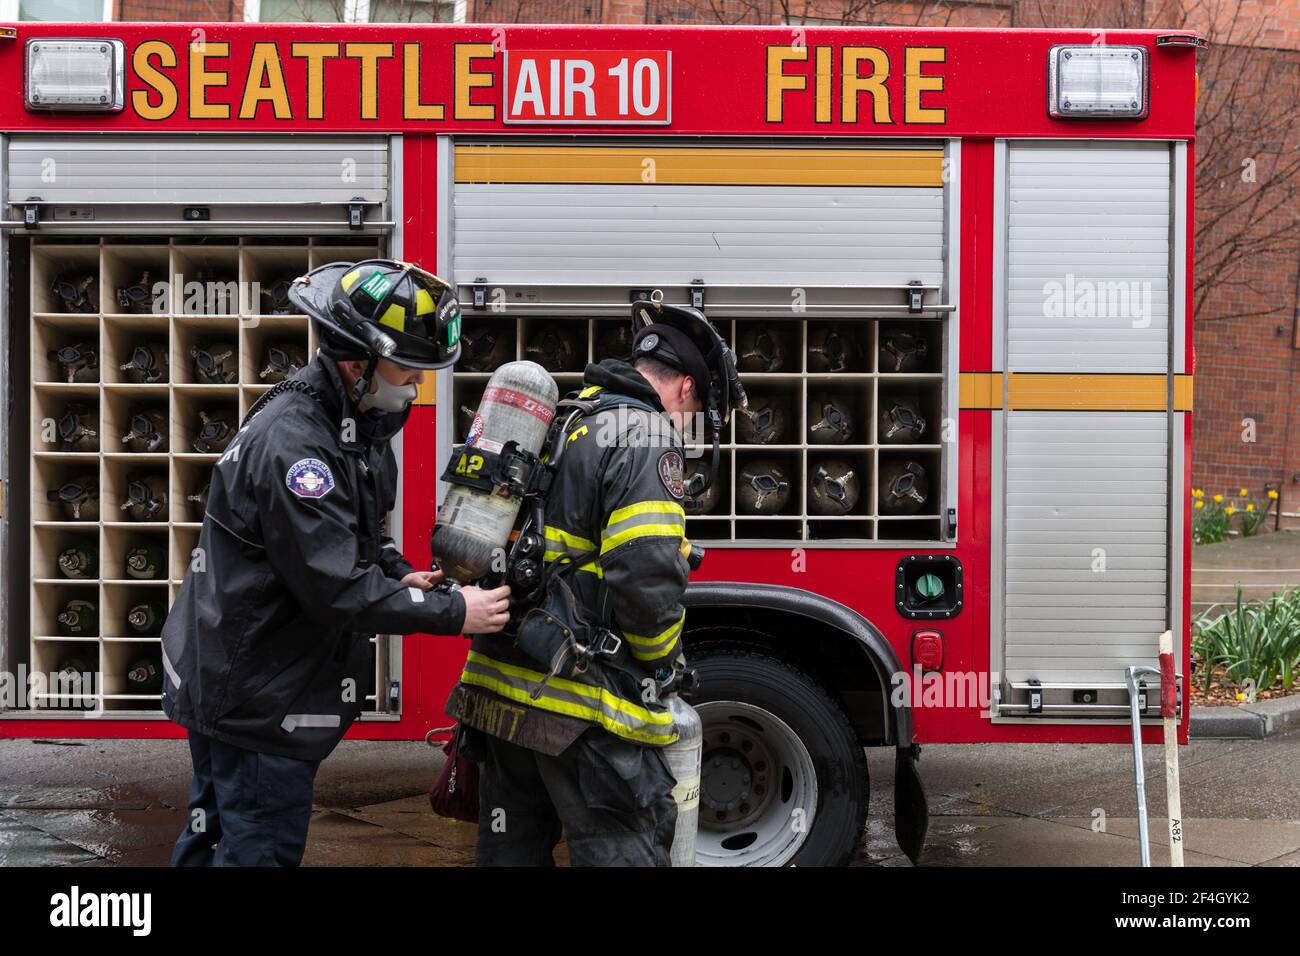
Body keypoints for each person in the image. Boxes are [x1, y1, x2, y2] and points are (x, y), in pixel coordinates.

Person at [162, 259, 511, 867]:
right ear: (359, 362)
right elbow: (334, 589)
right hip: (255, 694)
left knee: (216, 835)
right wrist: (455, 611)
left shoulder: (353, 425)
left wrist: (398, 571)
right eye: (408, 371)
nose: (416, 387)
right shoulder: (299, 448)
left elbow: (357, 540)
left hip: (246, 676)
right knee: (257, 850)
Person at [447, 298, 743, 866]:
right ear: (683, 387)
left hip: (499, 695)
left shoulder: (563, 418)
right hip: (581, 708)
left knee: (511, 856)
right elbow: (644, 576)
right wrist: (663, 665)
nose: (689, 420)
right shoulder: (646, 435)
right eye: (697, 407)